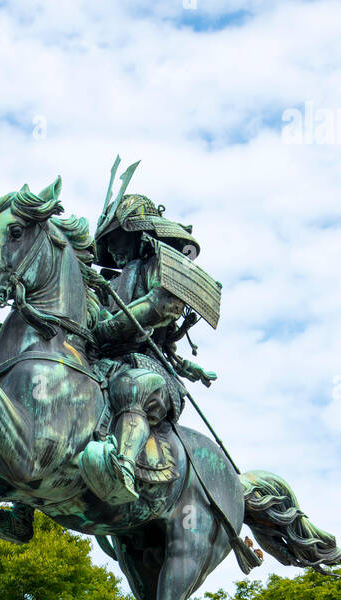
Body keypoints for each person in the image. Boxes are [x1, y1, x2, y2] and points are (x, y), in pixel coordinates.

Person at [90, 168, 220, 503]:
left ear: (135, 234)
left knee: (133, 387)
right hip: (104, 360)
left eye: (114, 238)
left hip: (150, 371)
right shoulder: (108, 282)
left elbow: (158, 309)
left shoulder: (160, 272)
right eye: (105, 242)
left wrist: (108, 327)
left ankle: (124, 467)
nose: (109, 247)